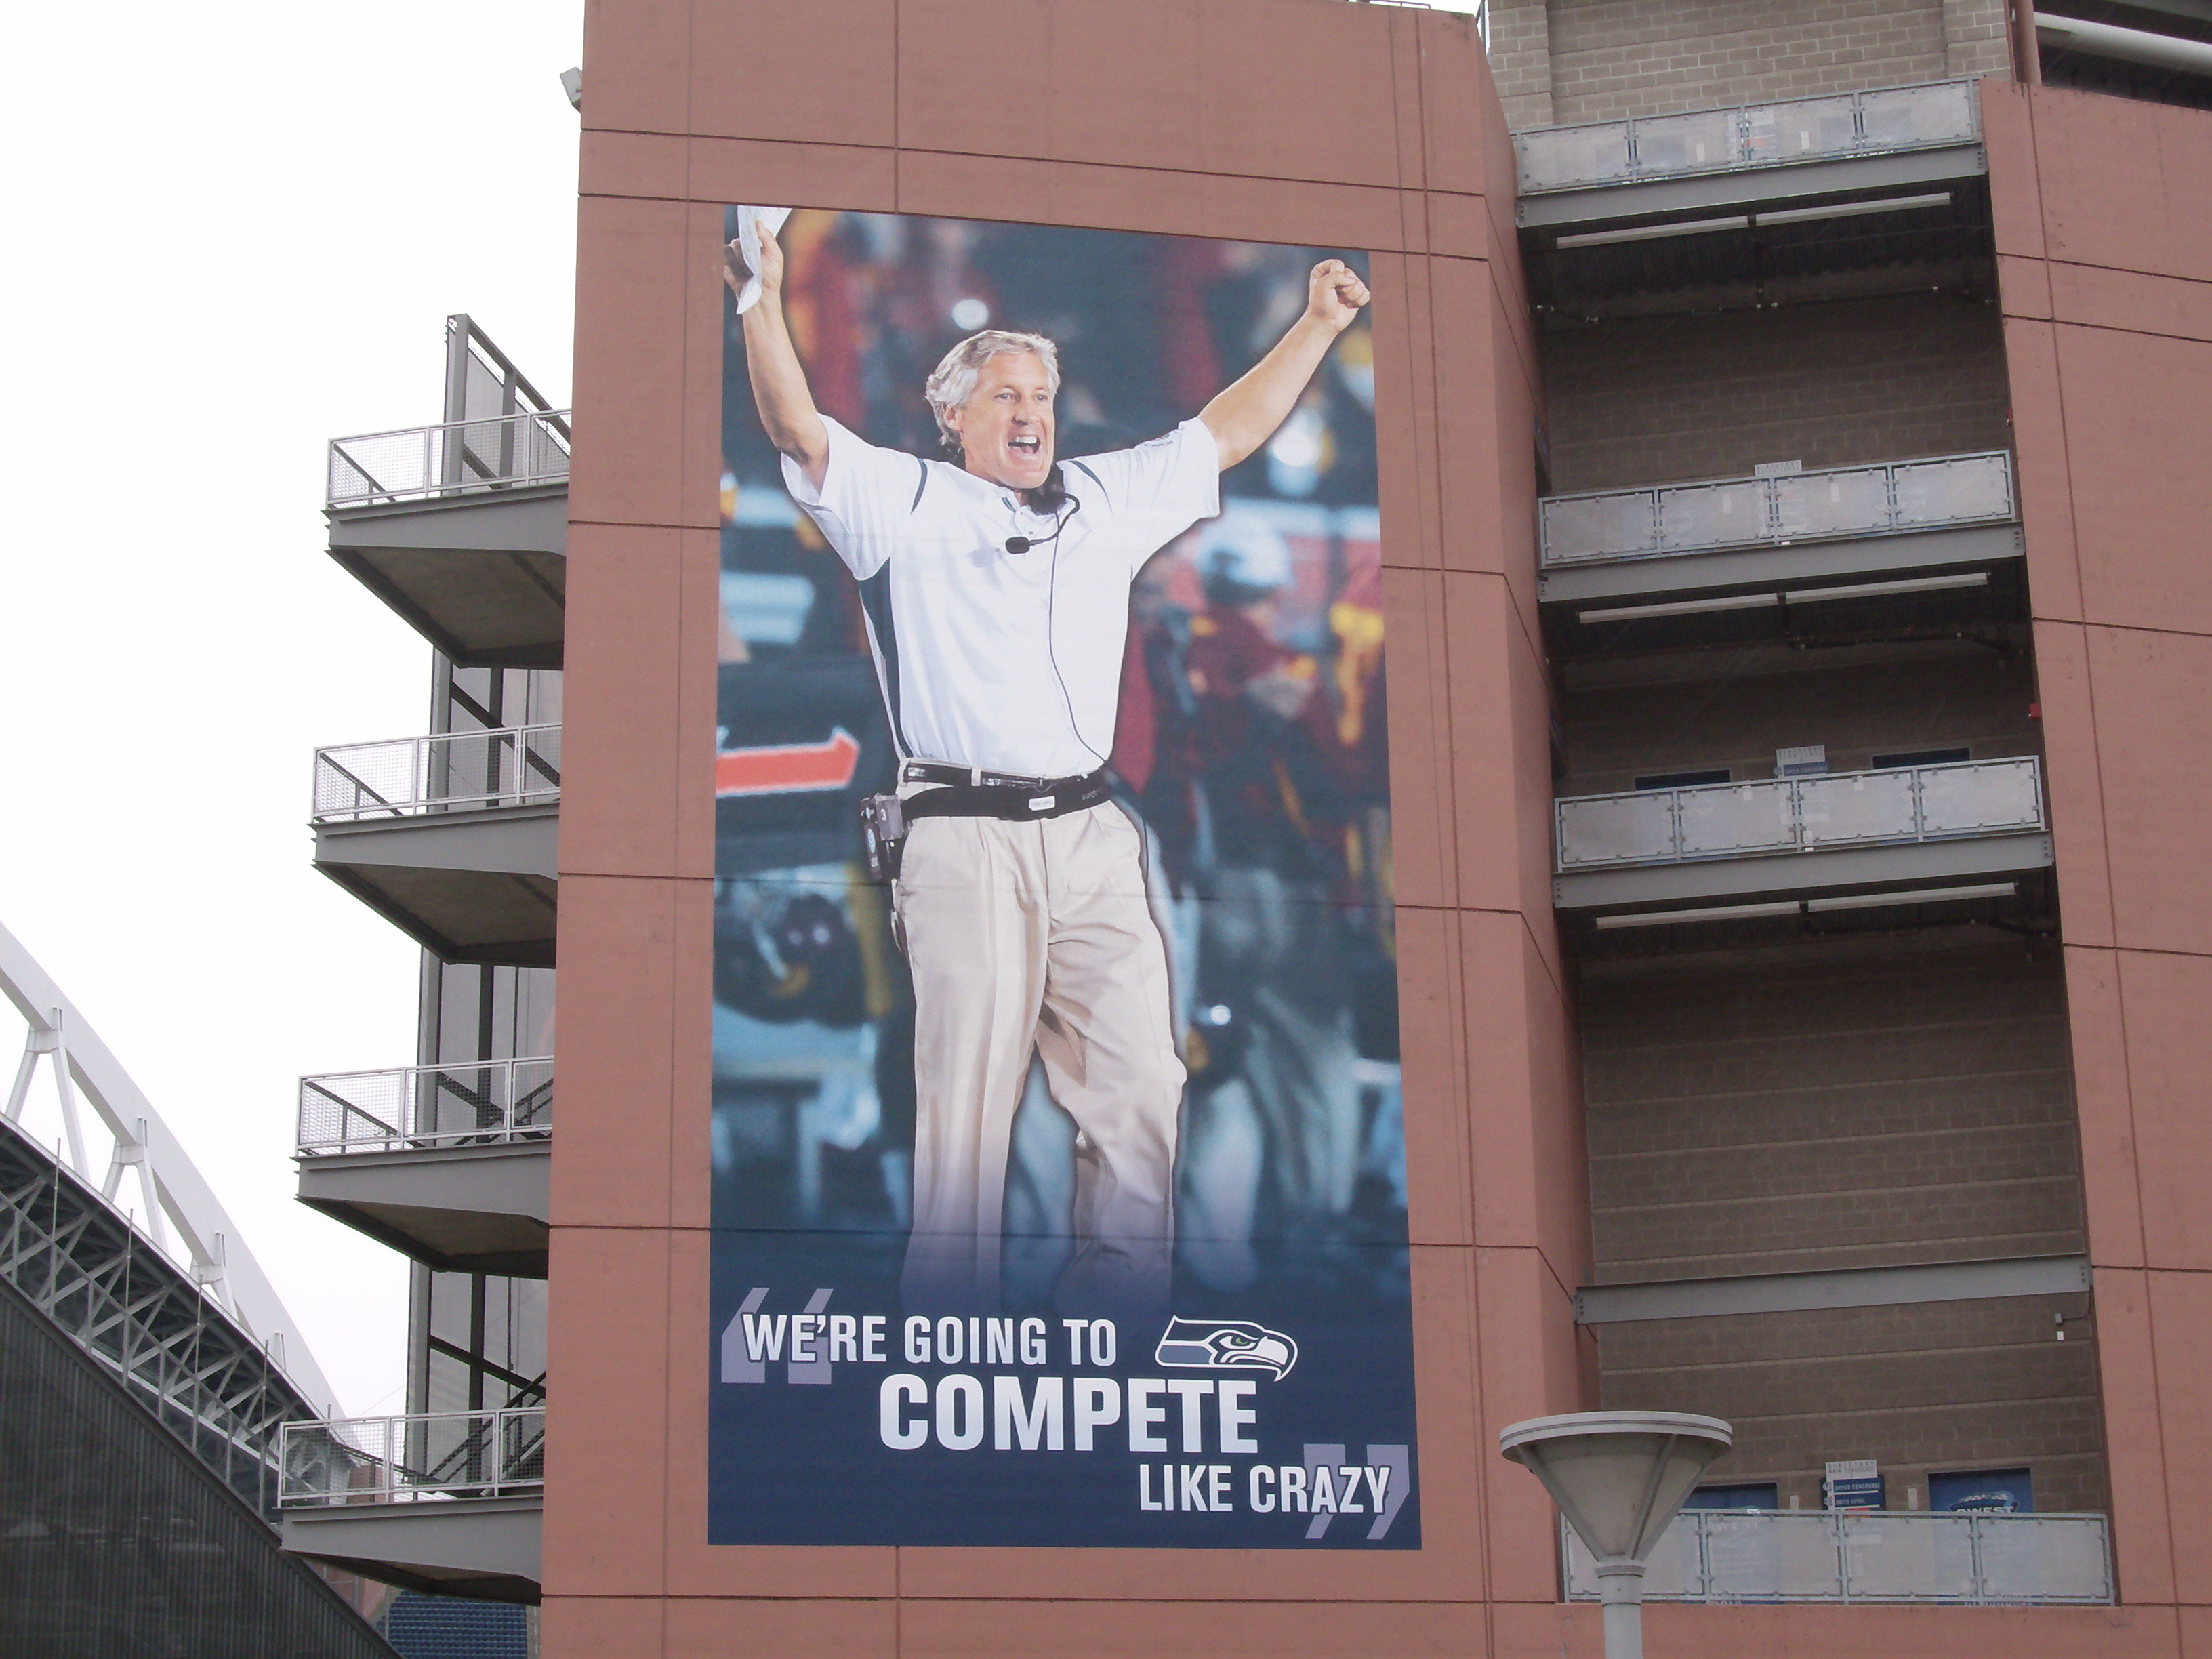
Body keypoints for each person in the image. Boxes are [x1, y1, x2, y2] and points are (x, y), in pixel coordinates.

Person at [727, 213, 1370, 1315]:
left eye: (1041, 396)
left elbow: (1224, 433)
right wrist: (759, 298)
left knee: (1141, 1082)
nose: (1030, 413)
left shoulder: (1103, 497)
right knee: (970, 1099)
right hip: (962, 828)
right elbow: (795, 426)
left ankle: (1122, 1314)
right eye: (1004, 396)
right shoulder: (902, 498)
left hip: (1091, 829)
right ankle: (954, 1319)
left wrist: (1315, 325)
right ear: (952, 417)